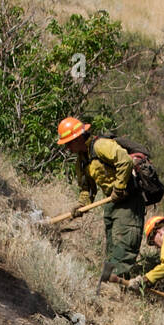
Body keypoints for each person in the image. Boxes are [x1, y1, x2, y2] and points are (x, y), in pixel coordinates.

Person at [56, 117, 146, 284]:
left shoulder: (101, 146)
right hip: (110, 203)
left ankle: (118, 286)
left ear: (78, 138)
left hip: (129, 201)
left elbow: (125, 161)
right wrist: (82, 205)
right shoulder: (81, 162)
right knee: (112, 247)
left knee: (125, 244)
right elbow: (86, 188)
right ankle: (107, 281)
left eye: (69, 143)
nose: (67, 148)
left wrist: (119, 188)